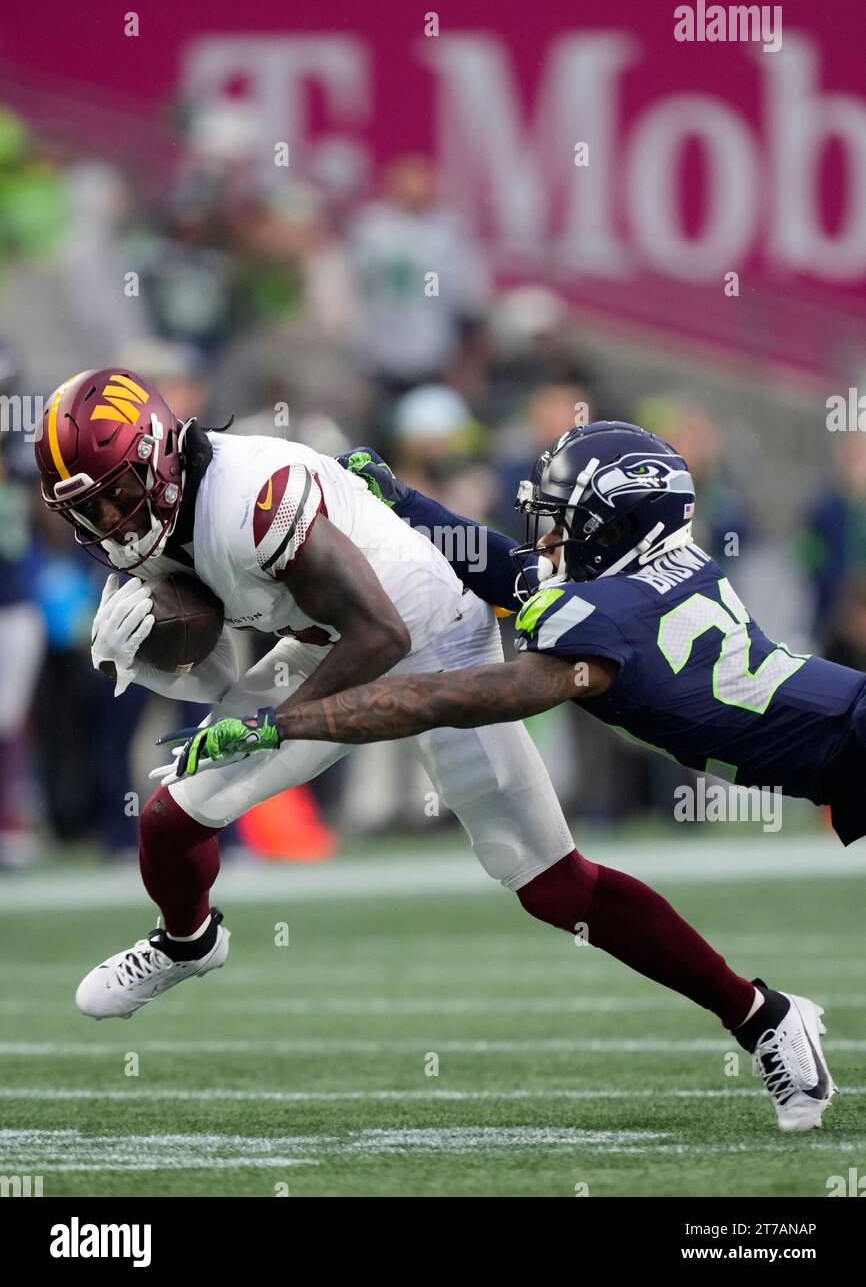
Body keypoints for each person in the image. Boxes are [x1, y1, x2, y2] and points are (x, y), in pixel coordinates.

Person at [176, 424, 860, 1133]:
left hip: (853, 742)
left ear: (619, 524)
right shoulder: (653, 577)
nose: (549, 543)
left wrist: (287, 722)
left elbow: (443, 698)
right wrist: (404, 499)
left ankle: (770, 1022)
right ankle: (768, 1021)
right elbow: (509, 570)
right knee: (550, 885)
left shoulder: (606, 618)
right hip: (842, 741)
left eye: (566, 526)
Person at [35, 366, 578, 1039]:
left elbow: (382, 632)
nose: (111, 523)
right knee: (171, 818)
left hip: (431, 634)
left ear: (156, 457)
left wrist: (275, 725)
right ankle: (188, 943)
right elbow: (212, 674)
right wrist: (151, 655)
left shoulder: (252, 499)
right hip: (333, 642)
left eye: (117, 497)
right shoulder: (166, 511)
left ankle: (748, 1010)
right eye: (91, 510)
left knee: (555, 884)